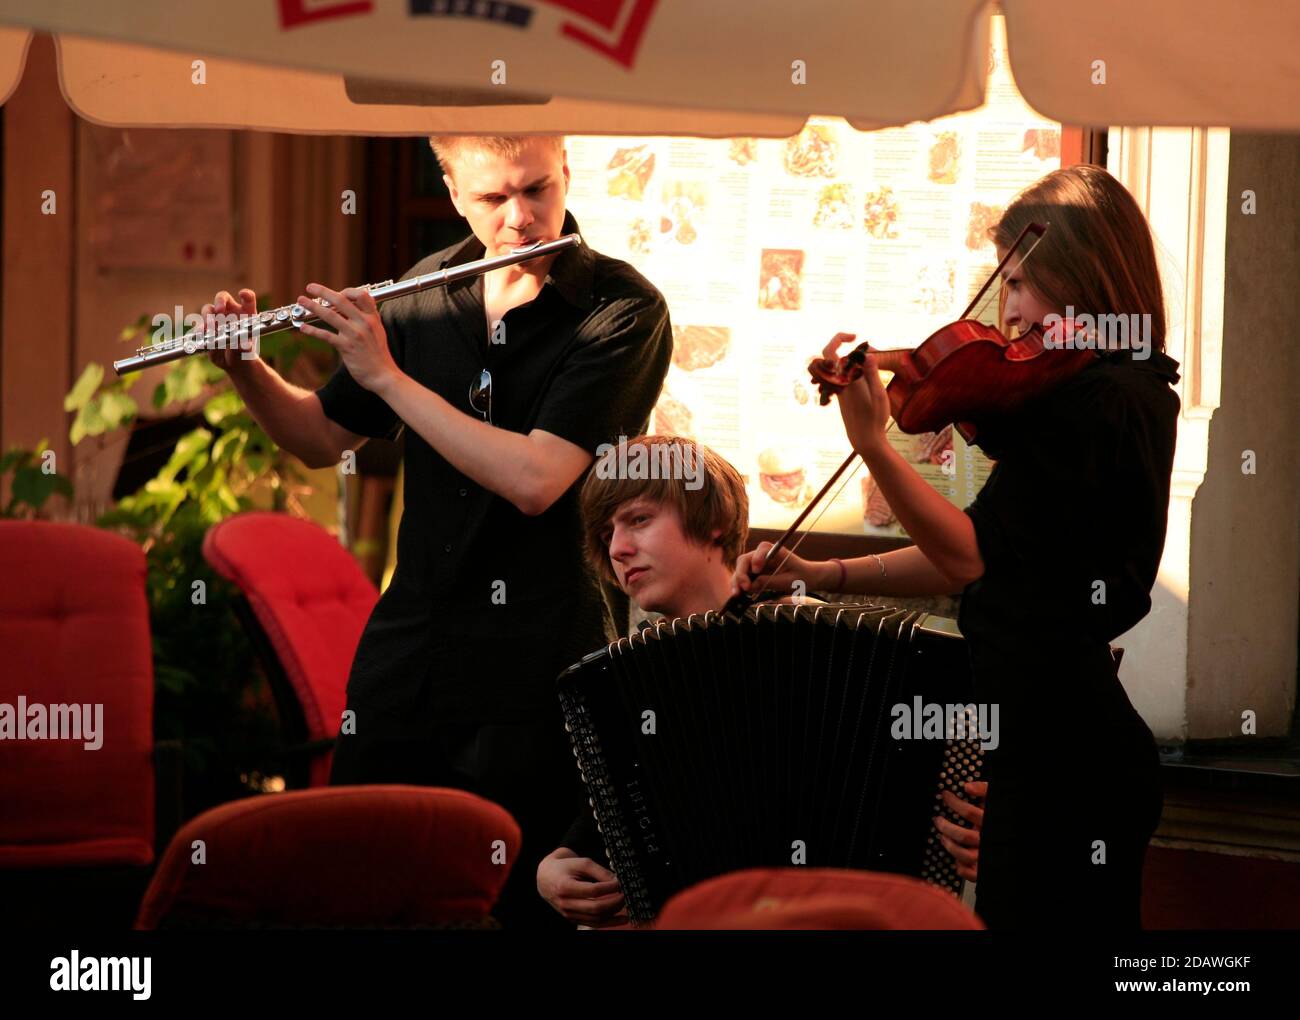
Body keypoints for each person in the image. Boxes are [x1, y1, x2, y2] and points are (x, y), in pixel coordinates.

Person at [202, 135, 672, 927]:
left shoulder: (622, 310)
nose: (521, 218)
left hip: (536, 666)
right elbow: (322, 438)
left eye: (538, 189)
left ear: (567, 173)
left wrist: (388, 374)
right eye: (494, 199)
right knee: (364, 891)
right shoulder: (425, 290)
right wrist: (246, 367)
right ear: (453, 192)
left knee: (512, 906)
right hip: (409, 654)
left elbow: (536, 479)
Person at [734, 165, 1178, 930]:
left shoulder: (1106, 402)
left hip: (1071, 762)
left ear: (1081, 278)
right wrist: (819, 573)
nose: (1008, 316)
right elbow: (982, 561)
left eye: (1020, 285)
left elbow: (971, 555)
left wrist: (874, 444)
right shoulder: (1090, 395)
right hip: (1051, 748)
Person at [537, 435, 986, 925]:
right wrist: (553, 866)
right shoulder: (622, 680)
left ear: (714, 523)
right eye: (605, 534)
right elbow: (607, 815)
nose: (619, 548)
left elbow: (949, 745)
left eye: (639, 519)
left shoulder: (819, 641)